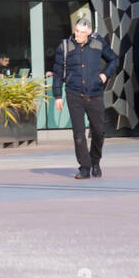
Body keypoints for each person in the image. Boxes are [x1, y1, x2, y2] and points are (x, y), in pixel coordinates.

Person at [51, 17, 119, 179]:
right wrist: (57, 95)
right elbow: (58, 72)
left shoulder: (98, 43)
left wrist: (104, 75)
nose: (78, 35)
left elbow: (114, 60)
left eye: (82, 32)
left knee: (99, 131)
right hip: (74, 94)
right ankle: (84, 167)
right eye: (76, 31)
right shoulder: (65, 46)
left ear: (89, 32)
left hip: (95, 94)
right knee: (79, 134)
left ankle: (95, 161)